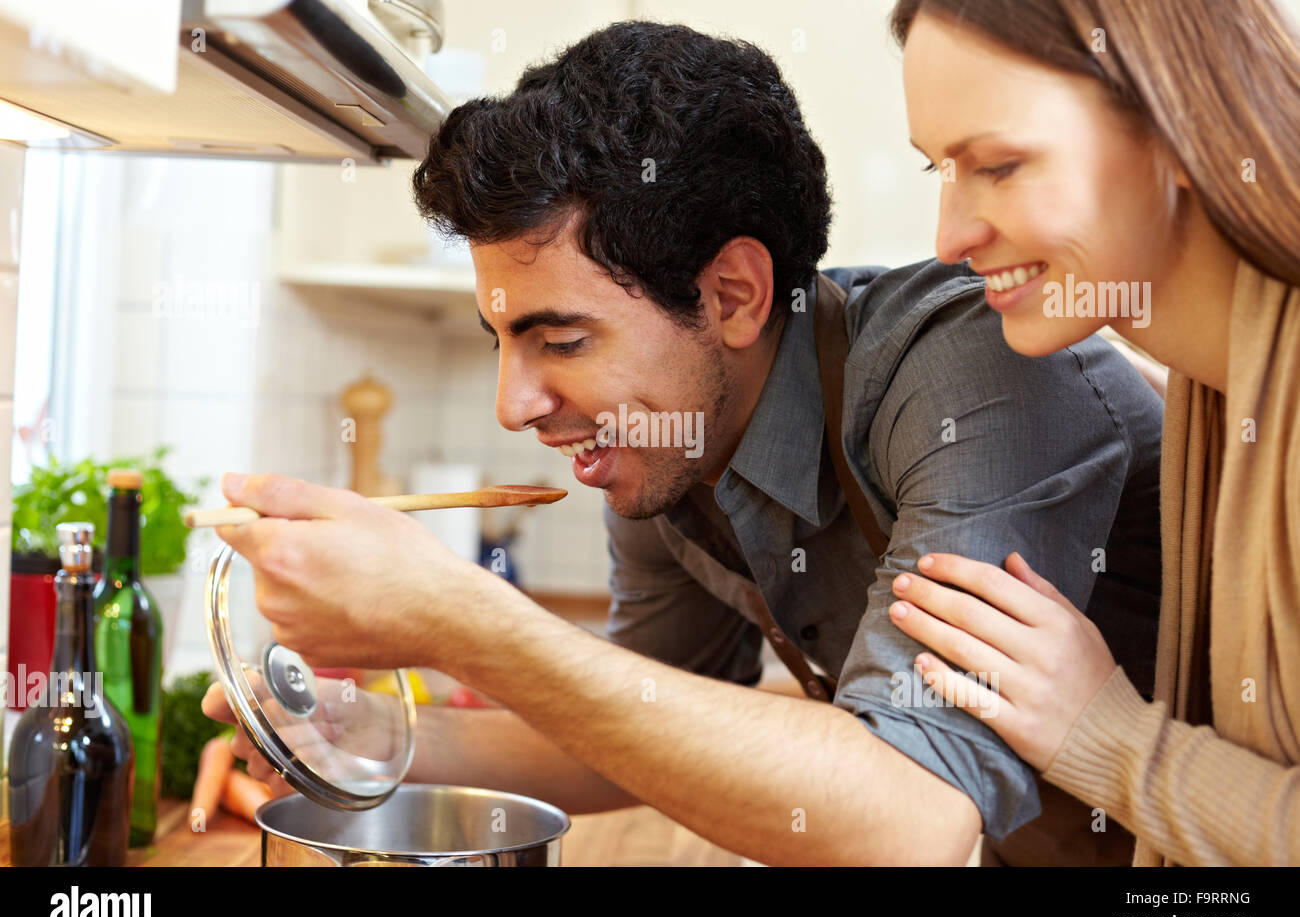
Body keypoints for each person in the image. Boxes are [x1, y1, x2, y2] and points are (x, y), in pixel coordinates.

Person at [201, 21, 1164, 865]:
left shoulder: (970, 370)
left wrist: (456, 617)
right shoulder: (668, 454)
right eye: (501, 340)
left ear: (734, 295)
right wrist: (357, 734)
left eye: (562, 339)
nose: (515, 405)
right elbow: (638, 719)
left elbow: (909, 820)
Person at [885, 0, 1300, 865]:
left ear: (1178, 127)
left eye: (998, 165)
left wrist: (1102, 732)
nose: (950, 238)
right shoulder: (1211, 390)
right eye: (940, 171)